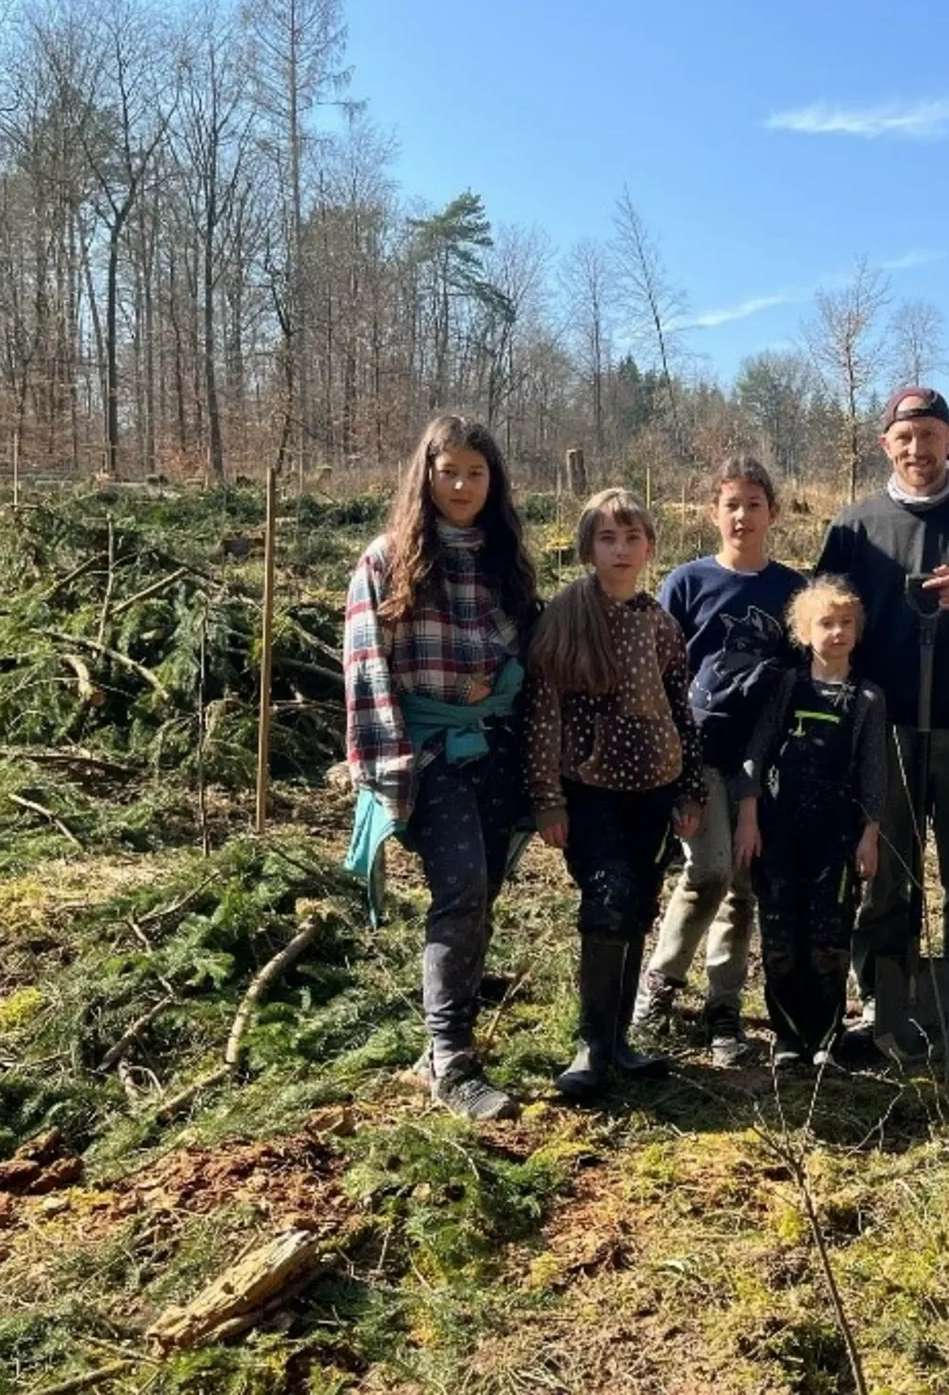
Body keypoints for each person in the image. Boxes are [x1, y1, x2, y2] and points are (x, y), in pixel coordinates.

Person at [814, 386, 949, 1056]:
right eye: (905, 437)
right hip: (882, 731)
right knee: (883, 878)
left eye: (930, 434)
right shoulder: (855, 527)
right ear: (886, 444)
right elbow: (819, 622)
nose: (918, 448)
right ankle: (885, 1007)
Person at [342, 415, 541, 1122]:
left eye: (475, 472)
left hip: (492, 748)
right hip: (428, 753)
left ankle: (436, 1048)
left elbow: (529, 650)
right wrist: (395, 767)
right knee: (459, 890)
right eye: (448, 470)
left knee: (482, 893)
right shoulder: (387, 559)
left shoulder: (504, 559)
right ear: (425, 474)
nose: (461, 485)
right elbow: (368, 667)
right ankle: (452, 1060)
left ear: (494, 481)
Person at [525, 488, 706, 1099]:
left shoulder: (660, 623)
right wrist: (548, 798)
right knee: (609, 895)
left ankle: (621, 1043)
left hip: (654, 788)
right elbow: (544, 711)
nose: (620, 550)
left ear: (650, 547)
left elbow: (683, 709)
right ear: (587, 548)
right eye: (607, 538)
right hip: (591, 787)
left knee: (640, 903)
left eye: (631, 539)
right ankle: (591, 1043)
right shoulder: (567, 616)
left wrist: (689, 790)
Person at [631, 456, 806, 1067]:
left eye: (754, 505)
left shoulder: (791, 590)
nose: (742, 516)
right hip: (697, 753)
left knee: (744, 888)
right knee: (706, 871)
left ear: (772, 513)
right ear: (714, 512)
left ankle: (723, 1011)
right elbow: (656, 671)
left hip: (762, 760)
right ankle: (657, 988)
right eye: (731, 504)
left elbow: (799, 677)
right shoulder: (687, 582)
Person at [733, 577, 888, 1068]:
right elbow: (756, 751)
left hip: (837, 836)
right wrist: (748, 816)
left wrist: (870, 834)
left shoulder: (867, 699)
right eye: (826, 623)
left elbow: (874, 770)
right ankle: (786, 1038)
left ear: (858, 633)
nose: (837, 632)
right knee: (780, 935)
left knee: (828, 938)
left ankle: (824, 1039)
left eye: (846, 624)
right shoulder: (787, 685)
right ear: (803, 632)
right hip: (778, 831)